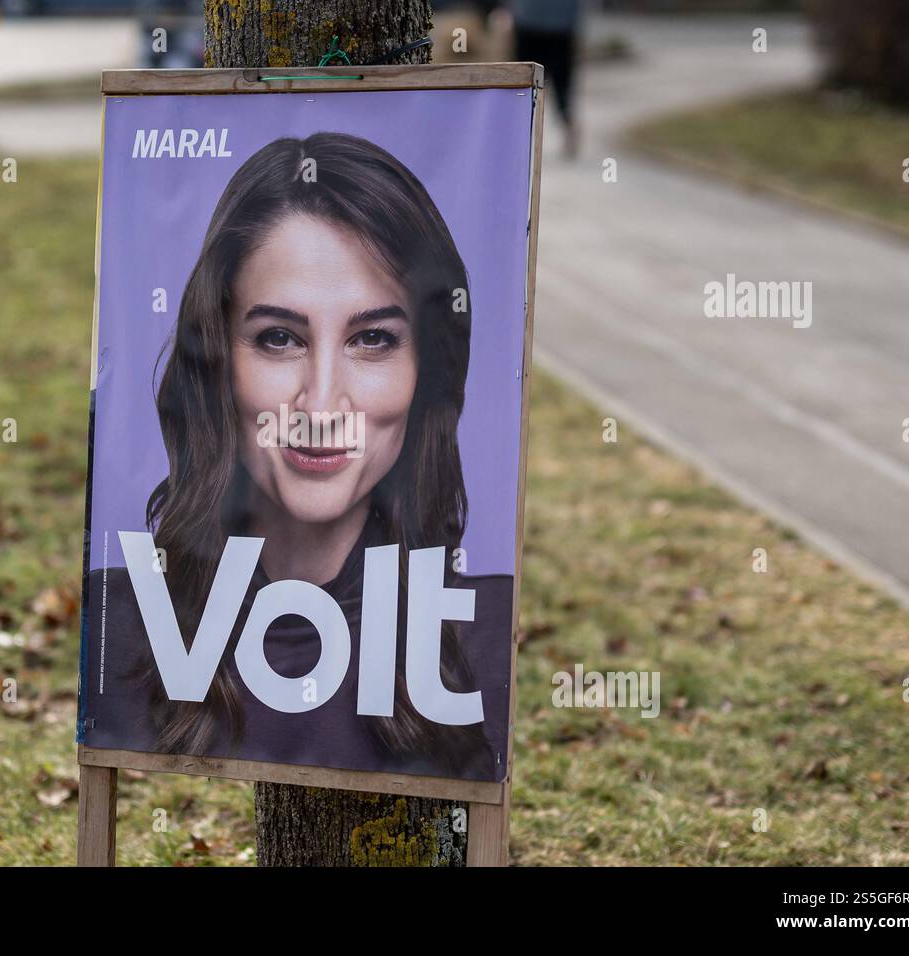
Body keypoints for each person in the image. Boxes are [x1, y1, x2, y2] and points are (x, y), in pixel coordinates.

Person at [83, 133, 513, 781]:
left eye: (372, 339)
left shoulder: (485, 640)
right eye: (279, 338)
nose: (319, 404)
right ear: (218, 359)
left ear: (428, 370)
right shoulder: (116, 630)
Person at [499, 0, 583, 157]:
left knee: (526, 83)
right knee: (551, 82)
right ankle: (522, 136)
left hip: (540, 20)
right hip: (552, 21)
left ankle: (520, 137)